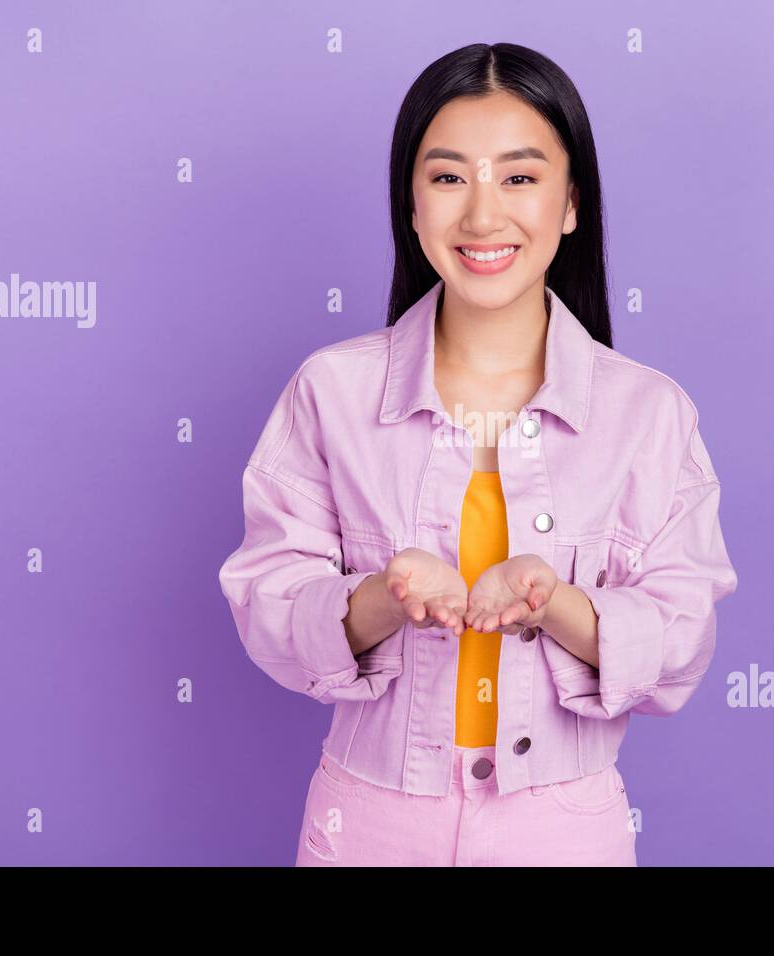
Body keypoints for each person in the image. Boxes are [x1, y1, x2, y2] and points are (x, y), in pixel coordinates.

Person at [218, 42, 738, 866]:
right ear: (412, 205)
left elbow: (681, 645)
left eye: (520, 177)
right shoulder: (332, 391)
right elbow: (269, 606)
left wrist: (555, 602)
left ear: (572, 203)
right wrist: (384, 596)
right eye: (450, 176)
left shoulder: (649, 412)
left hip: (565, 834)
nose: (483, 215)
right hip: (367, 828)